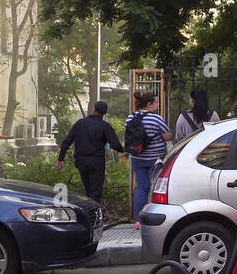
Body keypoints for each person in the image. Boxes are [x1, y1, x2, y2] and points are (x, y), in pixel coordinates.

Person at [58, 101, 124, 202]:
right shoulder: (105, 126)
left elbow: (67, 141)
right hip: (96, 163)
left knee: (88, 190)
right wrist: (126, 149)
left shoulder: (80, 123)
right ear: (104, 113)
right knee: (95, 192)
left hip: (81, 162)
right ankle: (92, 215)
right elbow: (115, 145)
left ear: (94, 109)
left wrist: (61, 158)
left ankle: (89, 213)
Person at [126, 91, 171, 225]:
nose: (158, 104)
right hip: (154, 159)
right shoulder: (156, 118)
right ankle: (153, 218)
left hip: (137, 157)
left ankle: (138, 220)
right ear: (149, 104)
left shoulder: (130, 117)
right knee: (155, 187)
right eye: (156, 102)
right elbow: (167, 136)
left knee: (142, 187)